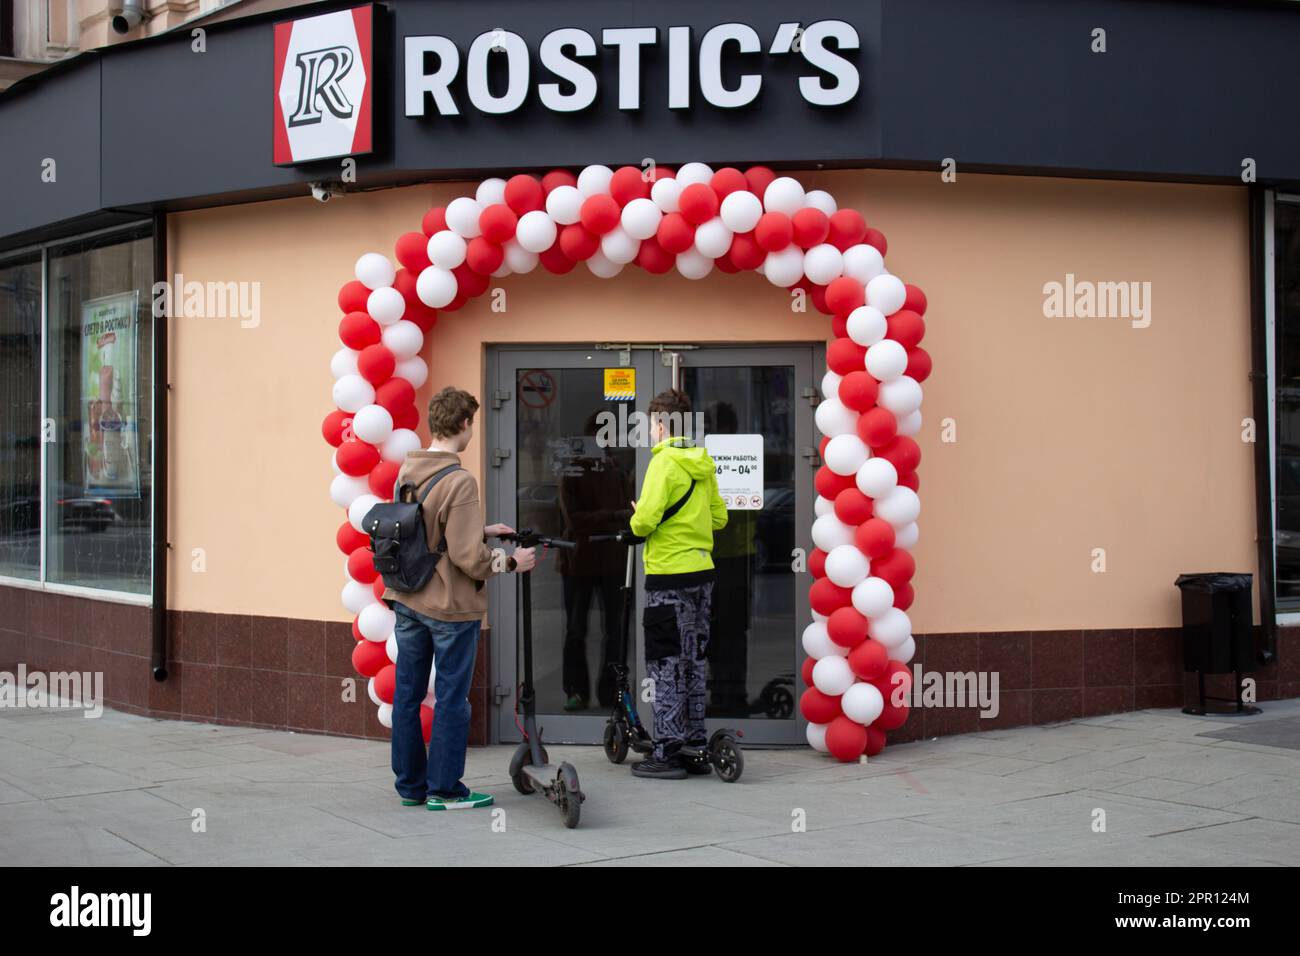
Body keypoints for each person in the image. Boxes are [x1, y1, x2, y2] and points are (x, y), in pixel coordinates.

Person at [386, 386, 535, 810]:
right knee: (452, 698)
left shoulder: (408, 470)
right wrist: (511, 561)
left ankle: (411, 788)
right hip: (450, 610)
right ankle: (446, 790)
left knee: (408, 697)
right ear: (465, 424)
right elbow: (469, 559)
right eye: (473, 423)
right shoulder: (460, 479)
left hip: (408, 601)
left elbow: (424, 530)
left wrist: (483, 530)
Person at [627, 388, 727, 779]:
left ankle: (666, 751)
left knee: (665, 661)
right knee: (692, 661)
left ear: (663, 424)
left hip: (668, 575)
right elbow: (719, 520)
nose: (650, 432)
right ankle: (694, 744)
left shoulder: (664, 463)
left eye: (651, 425)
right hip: (702, 575)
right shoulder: (703, 463)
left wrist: (637, 520)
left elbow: (645, 520)